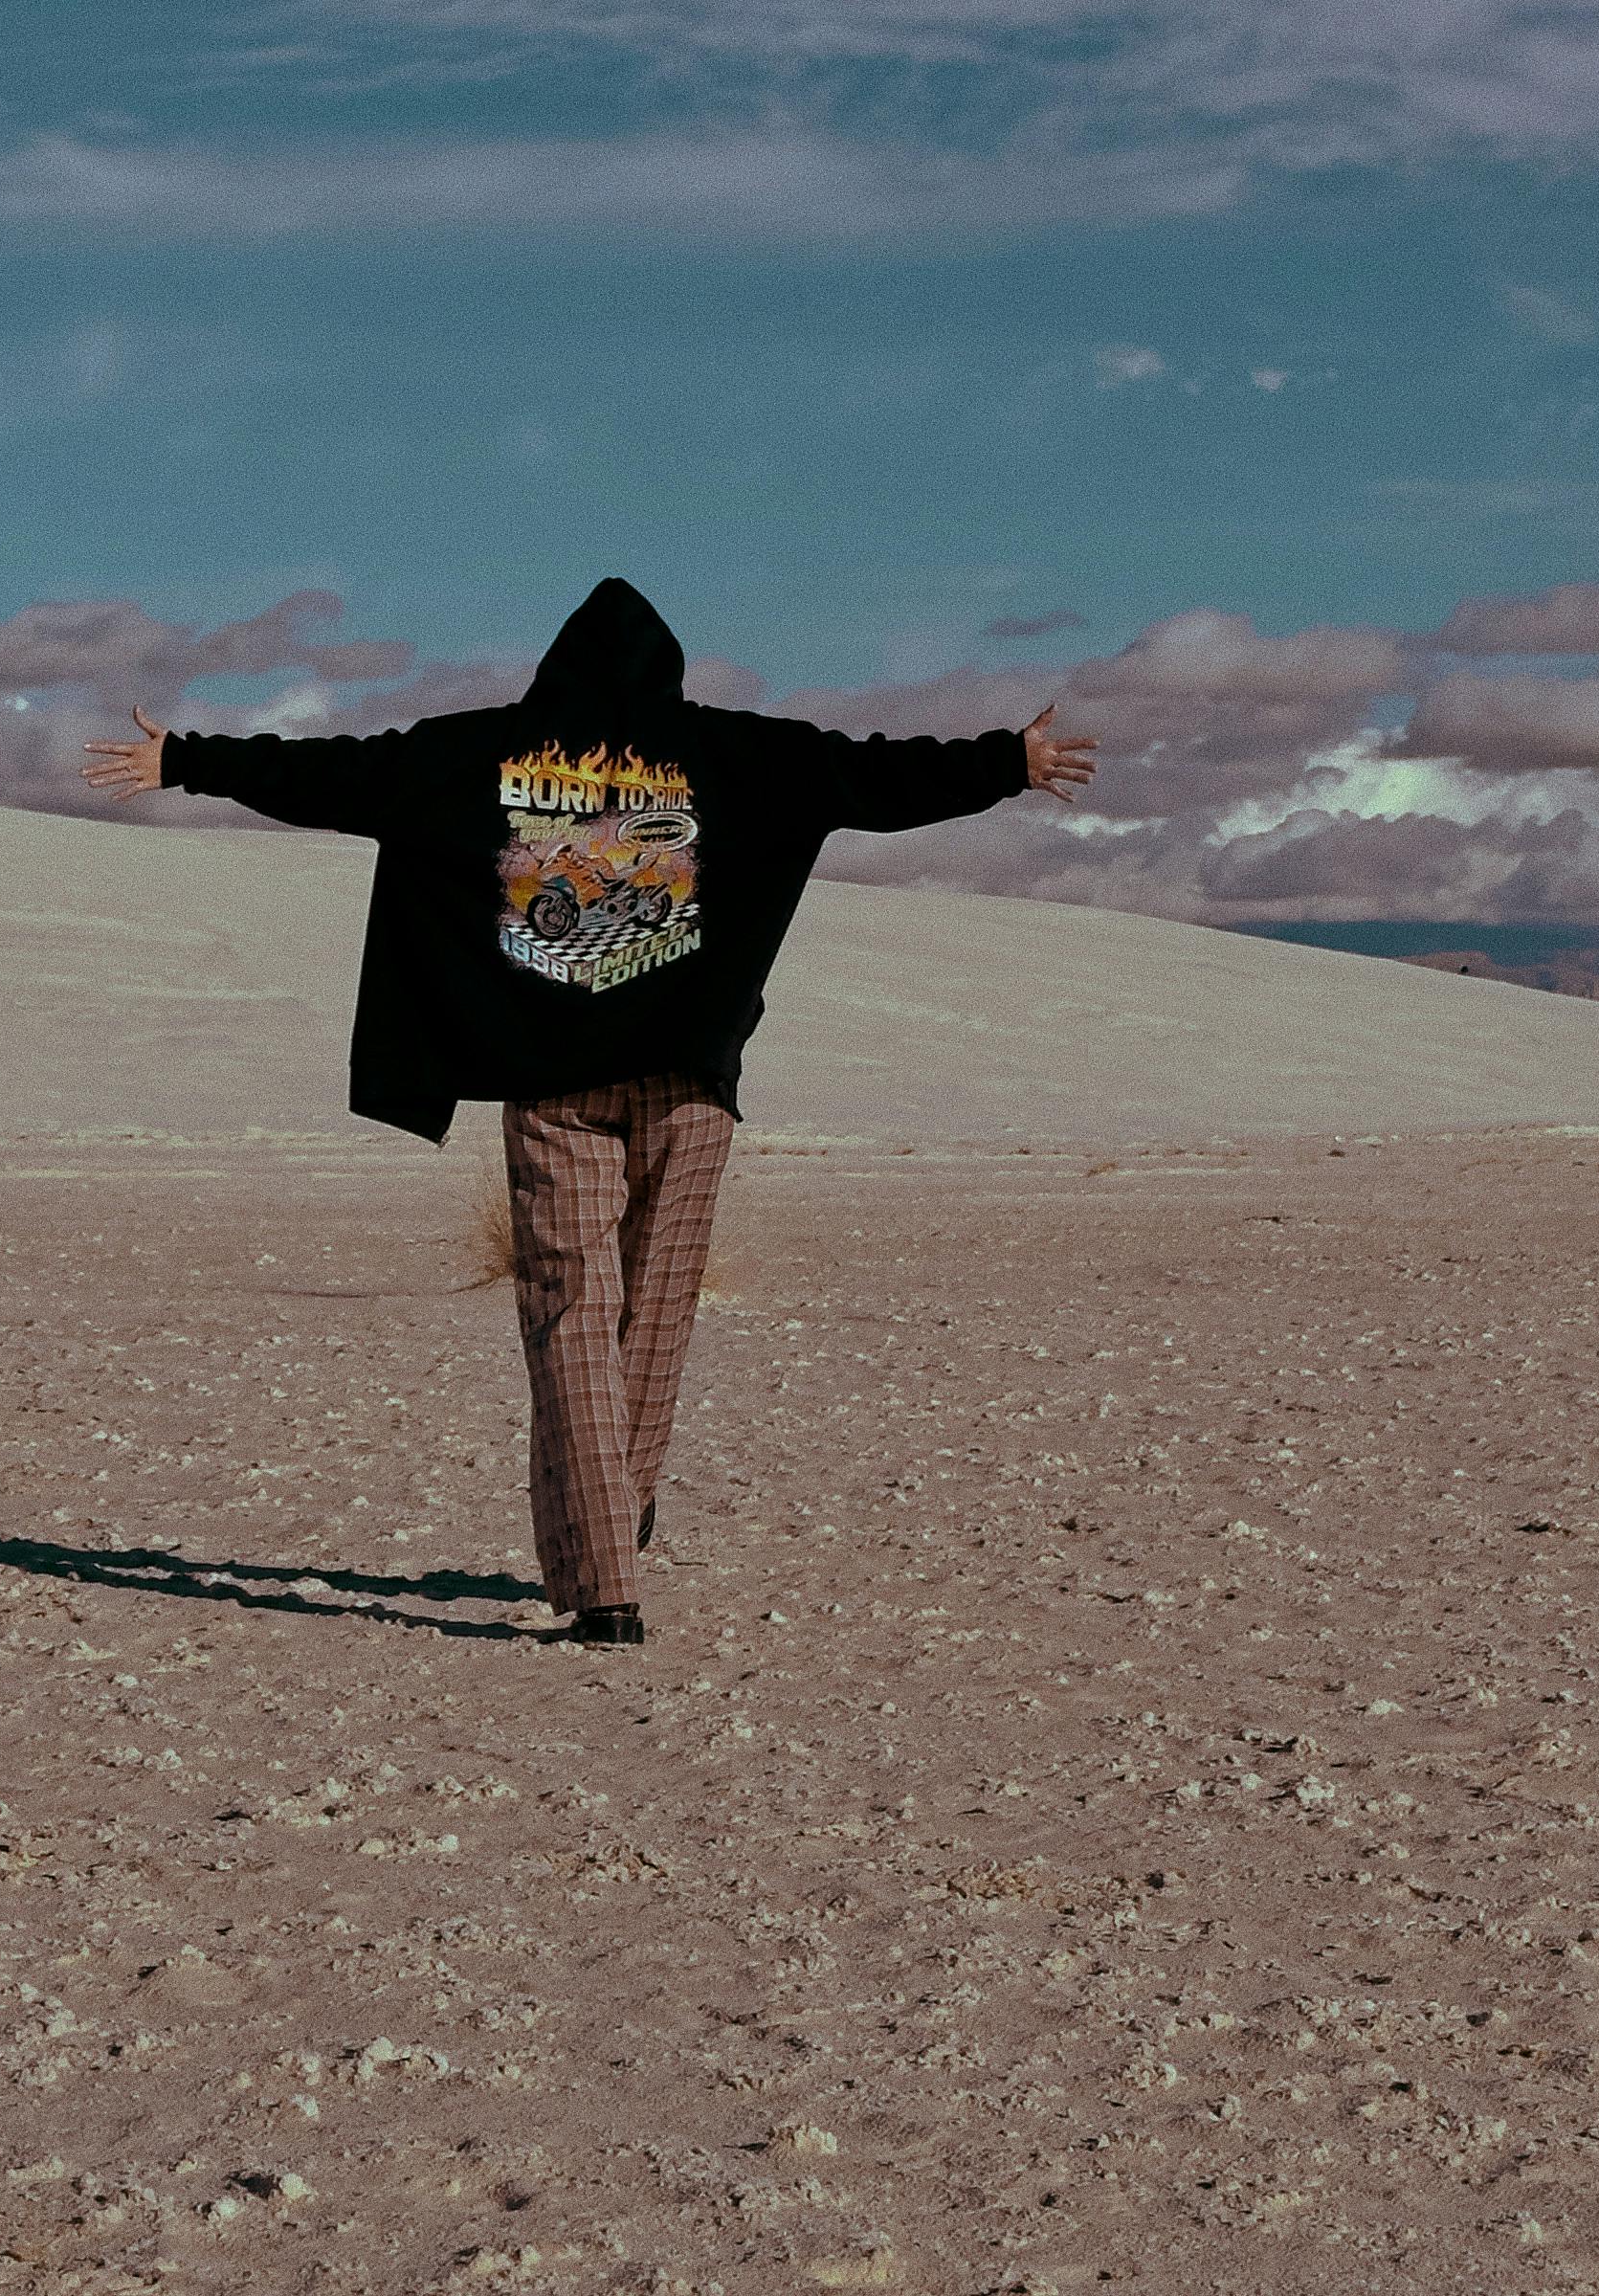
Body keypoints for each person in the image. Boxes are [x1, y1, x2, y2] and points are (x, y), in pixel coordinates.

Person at [84, 578, 1093, 1644]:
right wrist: (1008, 764)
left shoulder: (480, 752)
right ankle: (620, 1503)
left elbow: (339, 772)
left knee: (571, 1314)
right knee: (657, 1307)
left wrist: (184, 759)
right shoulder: (739, 751)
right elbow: (875, 775)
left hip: (547, 1080)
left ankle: (605, 1580)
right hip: (686, 1081)